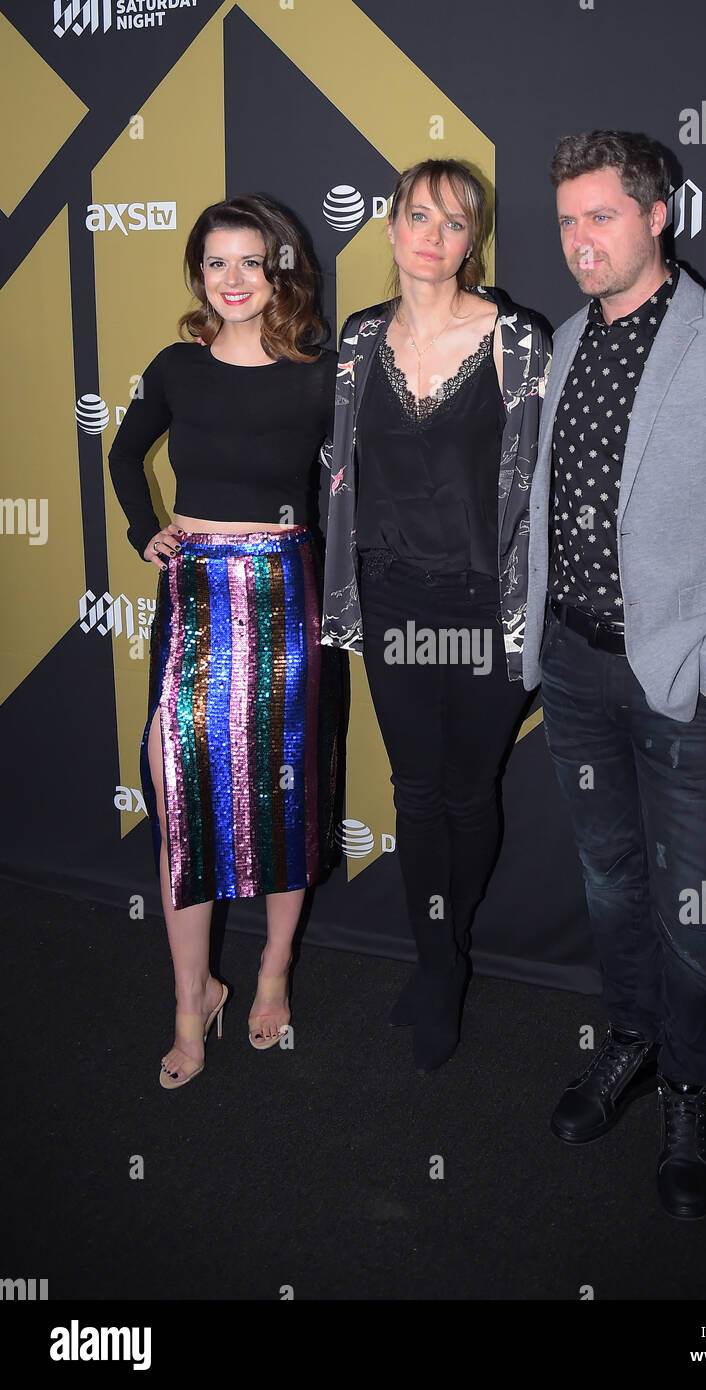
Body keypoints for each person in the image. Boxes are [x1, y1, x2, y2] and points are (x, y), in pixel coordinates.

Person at [522, 131, 706, 1217]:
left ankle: (689, 1088)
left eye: (599, 215)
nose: (578, 241)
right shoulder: (560, 342)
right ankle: (632, 1040)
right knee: (609, 888)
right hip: (573, 671)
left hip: (683, 687)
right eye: (565, 220)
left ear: (659, 214)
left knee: (695, 913)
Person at [321, 159, 551, 1072]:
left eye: (455, 223)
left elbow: (537, 487)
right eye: (419, 215)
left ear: (472, 240)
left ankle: (446, 960)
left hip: (484, 607)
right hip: (391, 599)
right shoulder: (355, 340)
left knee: (467, 792)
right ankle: (435, 963)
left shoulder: (515, 339)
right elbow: (338, 477)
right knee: (414, 794)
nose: (434, 235)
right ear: (388, 226)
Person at [108, 194, 338, 1088]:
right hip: (193, 590)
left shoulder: (320, 374)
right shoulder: (176, 366)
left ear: (281, 270)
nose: (234, 279)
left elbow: (359, 481)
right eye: (216, 263)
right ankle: (190, 993)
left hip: (284, 596)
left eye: (252, 261)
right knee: (178, 798)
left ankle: (273, 970)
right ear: (198, 276)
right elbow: (126, 456)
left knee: (287, 792)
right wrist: (144, 531)